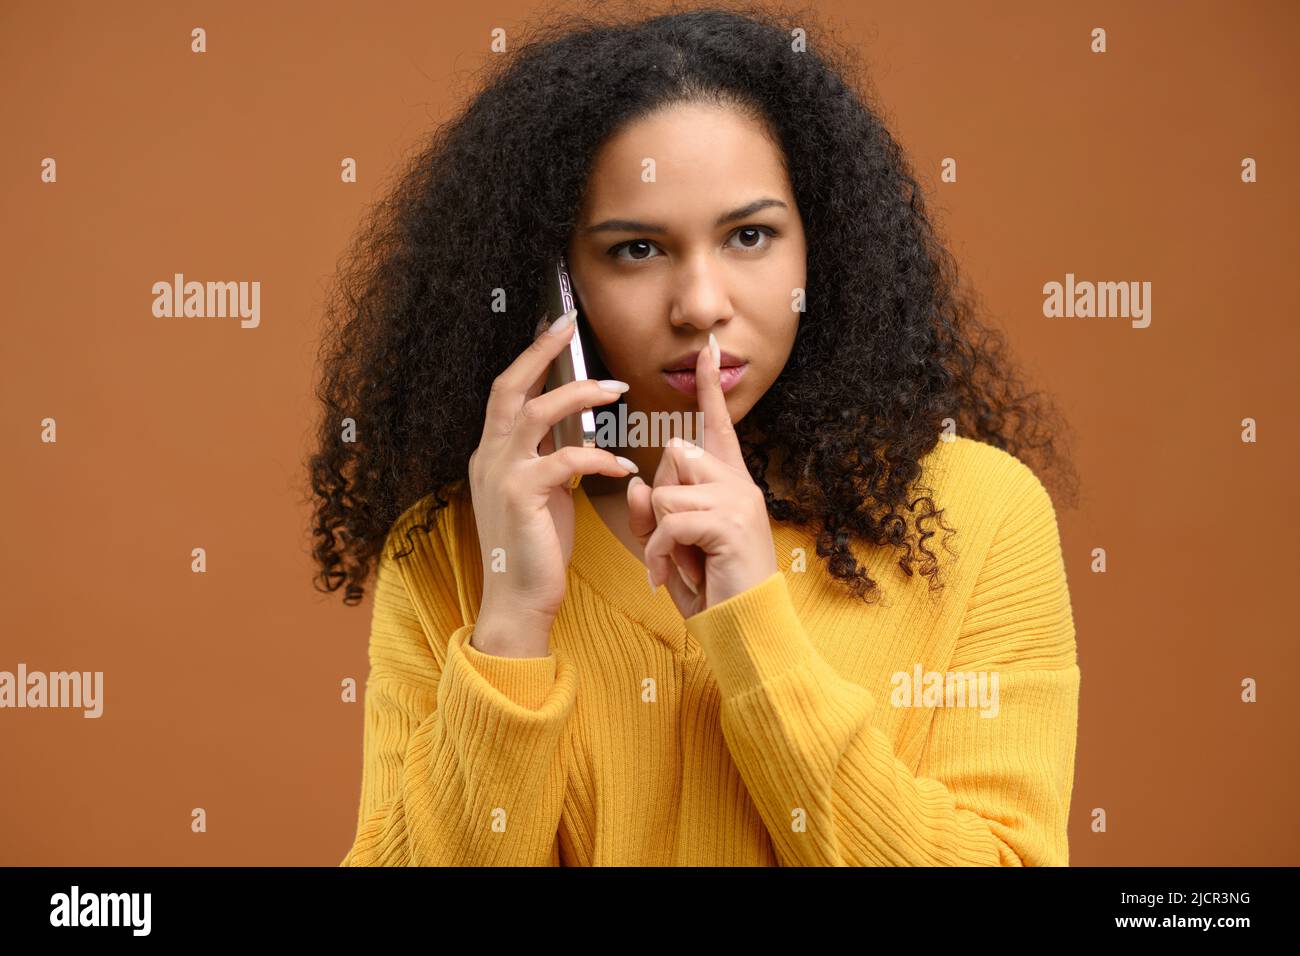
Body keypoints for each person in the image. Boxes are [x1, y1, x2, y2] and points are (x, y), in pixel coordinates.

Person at [309, 3, 1082, 866]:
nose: (703, 304)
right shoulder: (454, 547)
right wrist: (512, 627)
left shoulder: (980, 516)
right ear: (552, 282)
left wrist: (756, 627)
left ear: (820, 246)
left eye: (750, 236)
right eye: (637, 250)